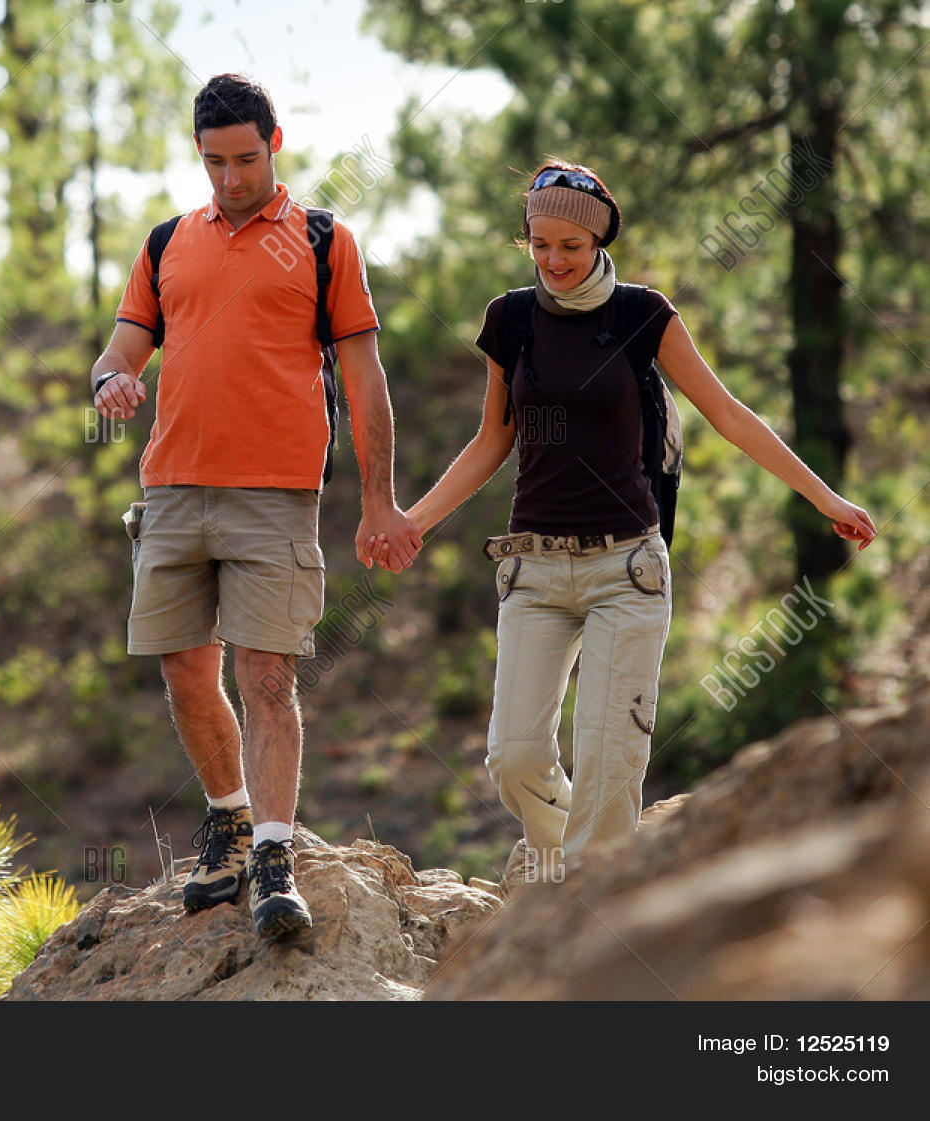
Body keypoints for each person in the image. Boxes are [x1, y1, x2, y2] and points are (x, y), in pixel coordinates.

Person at [373, 159, 876, 882]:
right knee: (513, 758)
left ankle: (582, 902)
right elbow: (493, 439)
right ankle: (574, 865)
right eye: (539, 245)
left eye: (570, 247)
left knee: (611, 764)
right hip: (534, 567)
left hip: (626, 568)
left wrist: (825, 497)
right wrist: (411, 522)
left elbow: (729, 414)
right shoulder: (509, 319)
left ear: (600, 239)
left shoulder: (642, 314)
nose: (554, 260)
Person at [90, 74, 421, 939]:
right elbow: (124, 344)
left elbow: (365, 378)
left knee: (268, 676)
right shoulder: (167, 242)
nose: (231, 178)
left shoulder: (322, 240)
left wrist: (380, 500)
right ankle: (229, 819)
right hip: (169, 489)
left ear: (275, 144)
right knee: (184, 671)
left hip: (275, 494)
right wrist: (113, 377)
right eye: (214, 162)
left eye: (245, 159)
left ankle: (276, 853)